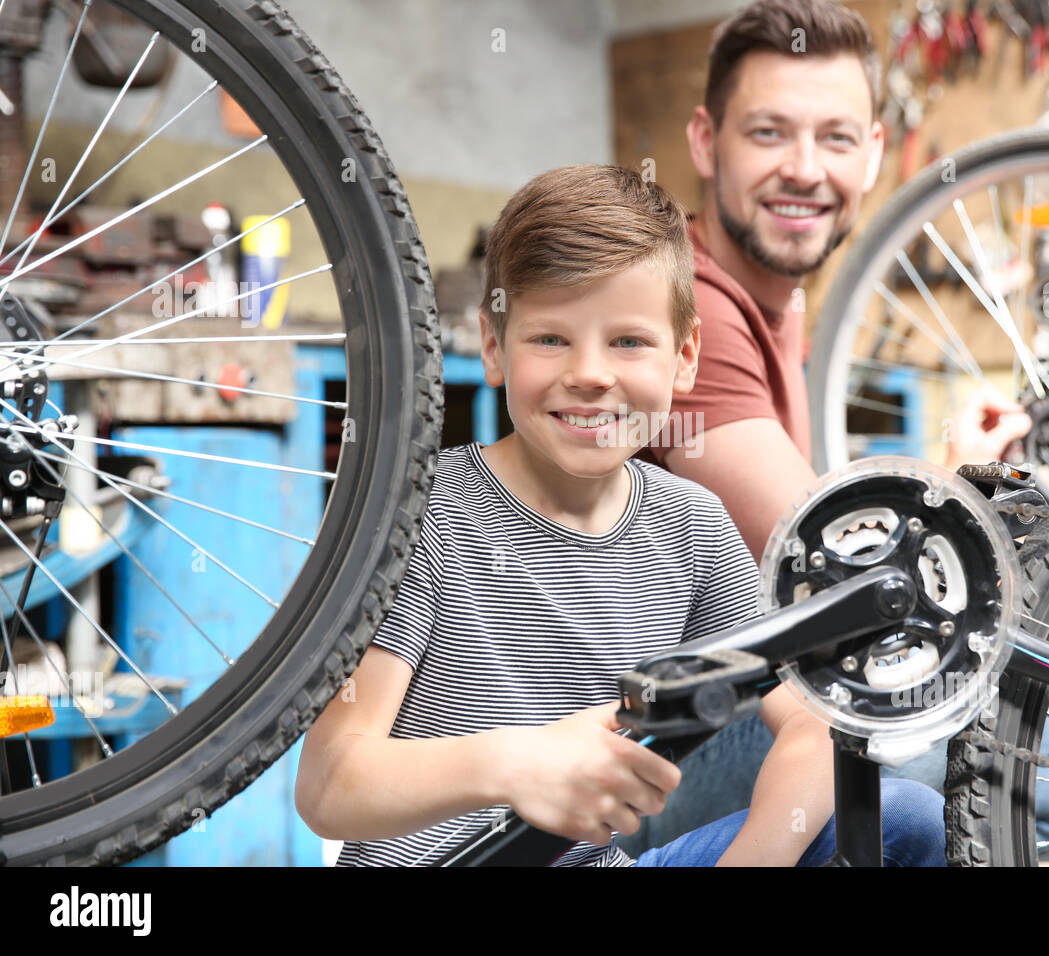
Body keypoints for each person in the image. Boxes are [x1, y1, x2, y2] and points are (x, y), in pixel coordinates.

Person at [294, 163, 946, 867]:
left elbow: (809, 720)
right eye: (550, 339)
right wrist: (515, 763)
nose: (591, 373)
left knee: (903, 817)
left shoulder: (690, 524)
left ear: (685, 355)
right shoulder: (426, 515)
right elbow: (330, 782)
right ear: (493, 347)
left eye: (628, 341)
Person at [617, 0, 1049, 862]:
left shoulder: (782, 312)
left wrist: (945, 475)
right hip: (666, 757)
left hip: (759, 712)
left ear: (870, 155)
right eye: (768, 133)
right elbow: (846, 574)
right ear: (707, 142)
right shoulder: (693, 306)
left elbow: (832, 541)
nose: (802, 169)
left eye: (834, 138)